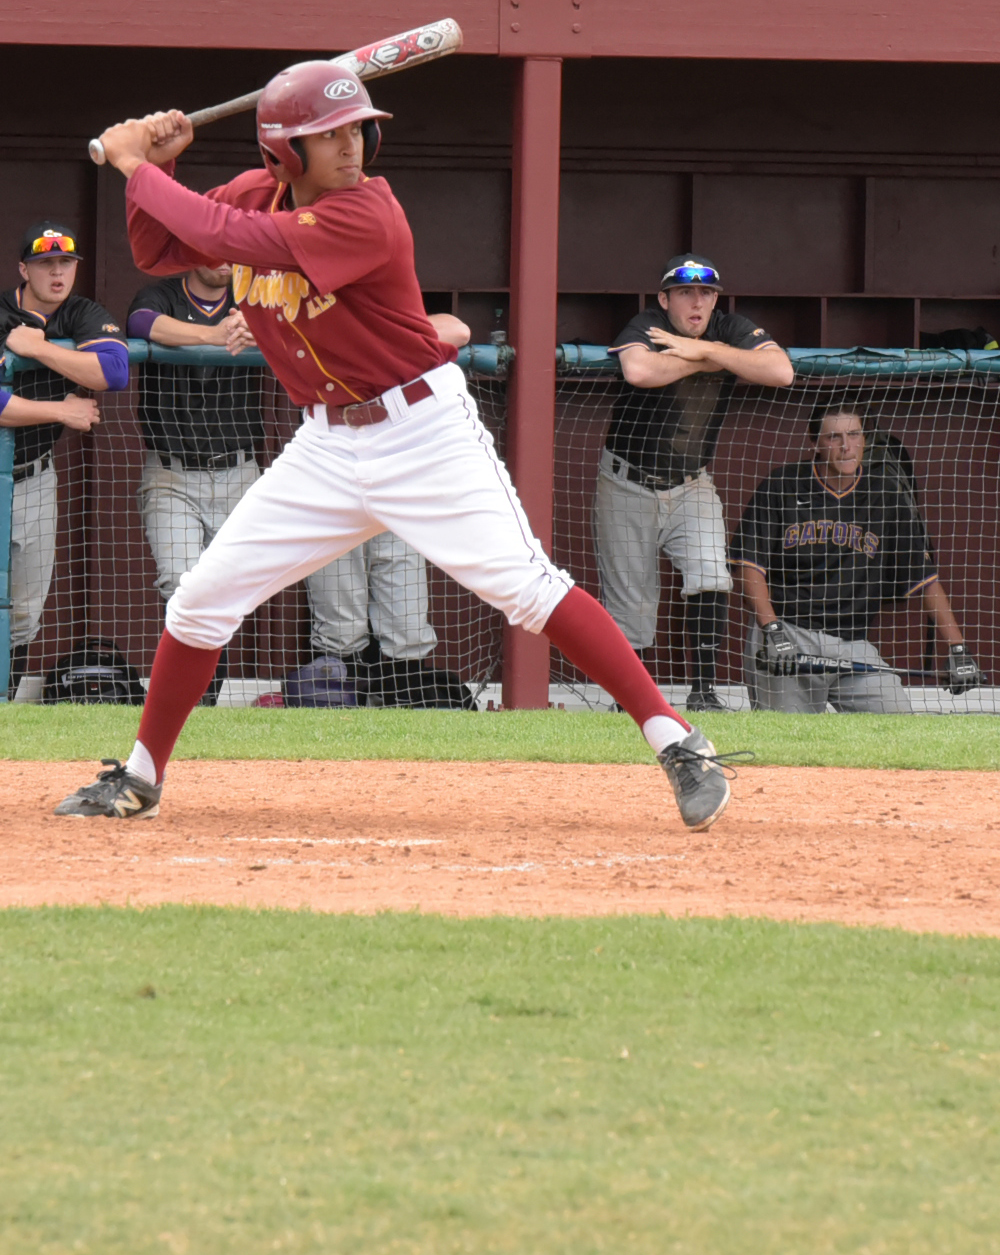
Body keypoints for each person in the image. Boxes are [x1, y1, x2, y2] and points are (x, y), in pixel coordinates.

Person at [54, 63, 742, 830]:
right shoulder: (254, 192)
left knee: (529, 589)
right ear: (286, 151)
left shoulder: (368, 212)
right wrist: (161, 165)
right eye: (329, 135)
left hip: (421, 433)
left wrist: (133, 164)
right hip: (324, 444)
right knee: (200, 603)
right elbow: (160, 250)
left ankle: (679, 740)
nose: (351, 146)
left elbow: (227, 236)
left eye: (357, 129)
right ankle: (142, 777)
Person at [0, 222, 129, 689]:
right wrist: (61, 409)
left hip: (35, 478)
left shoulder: (81, 313)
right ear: (24, 270)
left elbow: (114, 373)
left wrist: (40, 348)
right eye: (45, 264)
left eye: (66, 263)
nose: (57, 273)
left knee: (22, 618)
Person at [598, 255, 794, 712]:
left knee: (711, 576)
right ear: (665, 298)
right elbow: (640, 371)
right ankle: (631, 702)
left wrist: (706, 351)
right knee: (632, 610)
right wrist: (715, 363)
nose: (697, 302)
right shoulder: (647, 323)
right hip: (626, 481)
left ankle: (703, 693)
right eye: (685, 292)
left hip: (692, 484)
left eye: (706, 293)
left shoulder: (727, 328)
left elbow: (781, 371)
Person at [729, 403, 984, 712]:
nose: (846, 446)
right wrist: (772, 630)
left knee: (897, 723)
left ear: (865, 439)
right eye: (834, 437)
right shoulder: (782, 485)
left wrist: (957, 648)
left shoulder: (886, 495)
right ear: (816, 444)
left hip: (853, 643)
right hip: (789, 634)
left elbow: (925, 578)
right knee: (786, 738)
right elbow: (748, 567)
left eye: (854, 434)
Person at [302, 313, 471, 698]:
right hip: (335, 479)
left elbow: (459, 330)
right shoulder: (315, 317)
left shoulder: (389, 315)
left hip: (398, 483)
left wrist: (372, 331)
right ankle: (344, 706)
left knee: (408, 624)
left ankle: (402, 709)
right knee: (340, 628)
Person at [128, 264, 260, 703]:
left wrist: (258, 330)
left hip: (239, 471)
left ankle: (203, 700)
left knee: (225, 593)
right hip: (173, 472)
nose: (221, 259)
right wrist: (216, 333)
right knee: (180, 586)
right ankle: (192, 702)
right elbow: (140, 323)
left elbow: (297, 330)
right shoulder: (163, 295)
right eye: (211, 247)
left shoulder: (253, 297)